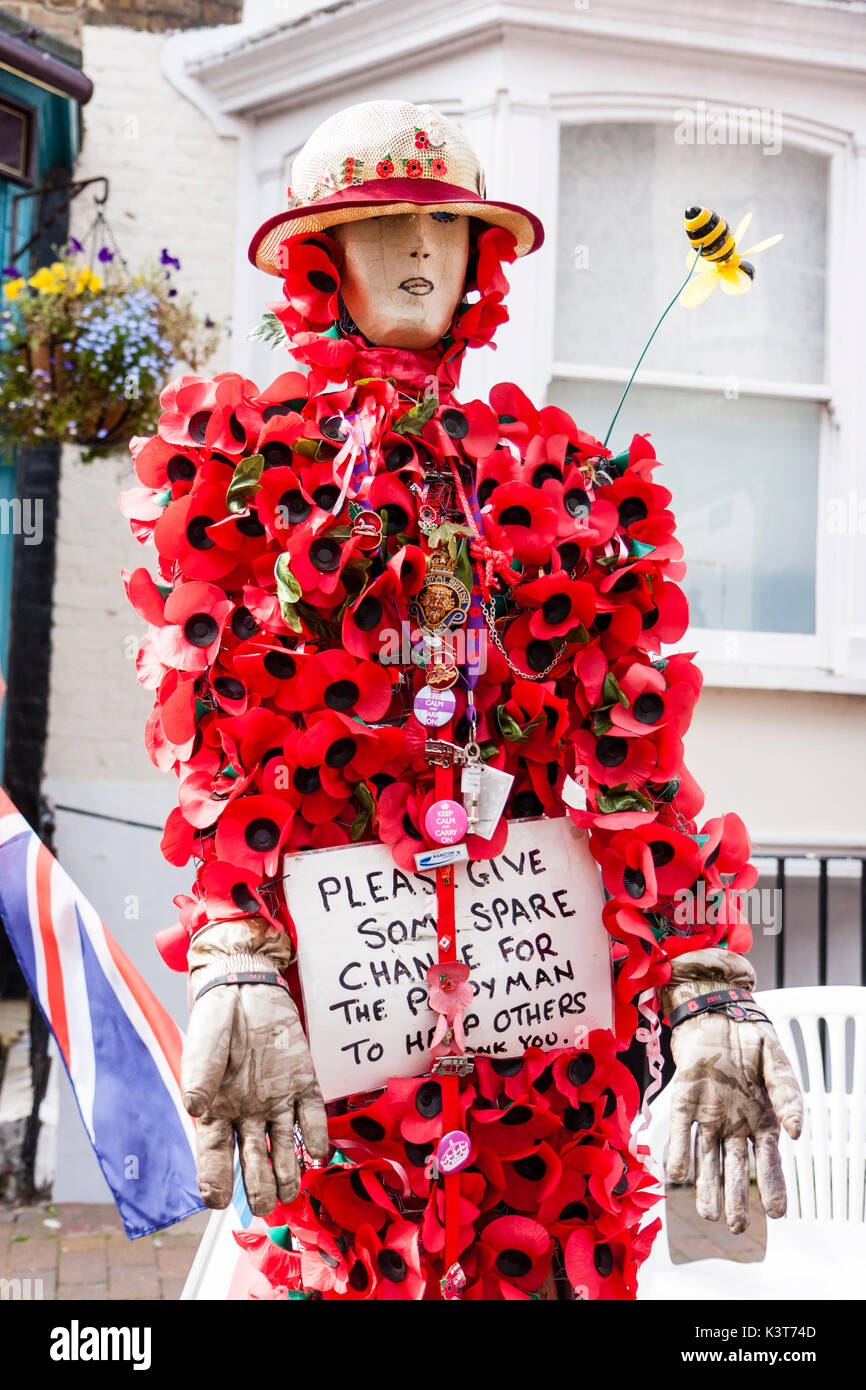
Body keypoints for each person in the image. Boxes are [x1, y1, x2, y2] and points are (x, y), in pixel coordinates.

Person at [124, 100, 803, 1300]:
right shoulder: (241, 476)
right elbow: (225, 763)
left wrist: (703, 975)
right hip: (352, 1075)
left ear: (481, 255)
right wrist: (232, 949)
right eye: (382, 222)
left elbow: (633, 775)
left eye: (445, 218)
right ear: (321, 256)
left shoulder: (571, 488)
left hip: (535, 1089)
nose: (421, 247)